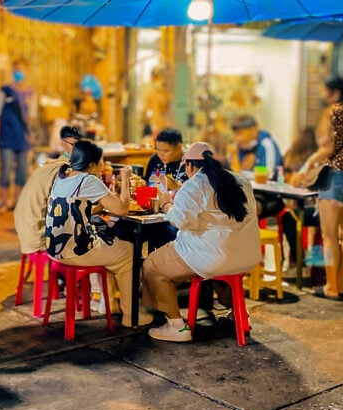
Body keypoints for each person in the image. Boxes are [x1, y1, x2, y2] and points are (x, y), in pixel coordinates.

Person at [141, 142, 260, 342]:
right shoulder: (240, 181)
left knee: (152, 266)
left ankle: (177, 327)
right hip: (245, 255)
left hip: (210, 257)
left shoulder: (195, 185)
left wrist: (166, 204)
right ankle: (239, 313)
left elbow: (178, 219)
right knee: (218, 270)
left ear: (189, 165)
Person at [45, 140, 153, 327]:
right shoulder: (88, 180)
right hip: (75, 251)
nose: (103, 166)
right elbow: (121, 210)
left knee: (110, 245)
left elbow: (74, 209)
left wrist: (99, 206)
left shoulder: (62, 177)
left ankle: (110, 304)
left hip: (55, 249)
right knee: (128, 253)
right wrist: (126, 178)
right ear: (92, 164)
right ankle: (131, 316)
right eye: (102, 161)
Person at [293, 77, 343, 298]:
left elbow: (328, 146)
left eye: (324, 90)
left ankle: (331, 287)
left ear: (334, 92)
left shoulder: (332, 112)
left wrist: (307, 166)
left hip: (334, 178)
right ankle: (340, 282)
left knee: (330, 236)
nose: (323, 95)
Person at [229, 114, 297, 264]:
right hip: (250, 193)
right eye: (236, 134)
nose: (239, 138)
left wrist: (244, 173)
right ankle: (239, 258)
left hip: (273, 197)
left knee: (248, 209)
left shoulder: (266, 144)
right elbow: (234, 174)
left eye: (241, 133)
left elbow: (269, 174)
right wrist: (235, 157)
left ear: (253, 130)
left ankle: (252, 259)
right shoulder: (241, 149)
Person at [14, 126, 82, 255]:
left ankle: (62, 275)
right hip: (37, 239)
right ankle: (68, 274)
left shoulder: (50, 165)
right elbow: (70, 211)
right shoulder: (65, 171)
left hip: (25, 233)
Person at [0, 59, 33, 212]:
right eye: (16, 70)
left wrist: (30, 134)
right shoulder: (4, 91)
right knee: (6, 170)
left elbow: (31, 116)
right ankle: (3, 202)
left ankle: (17, 202)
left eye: (21, 70)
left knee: (22, 171)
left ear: (27, 72)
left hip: (23, 139)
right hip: (6, 138)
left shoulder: (30, 93)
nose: (18, 73)